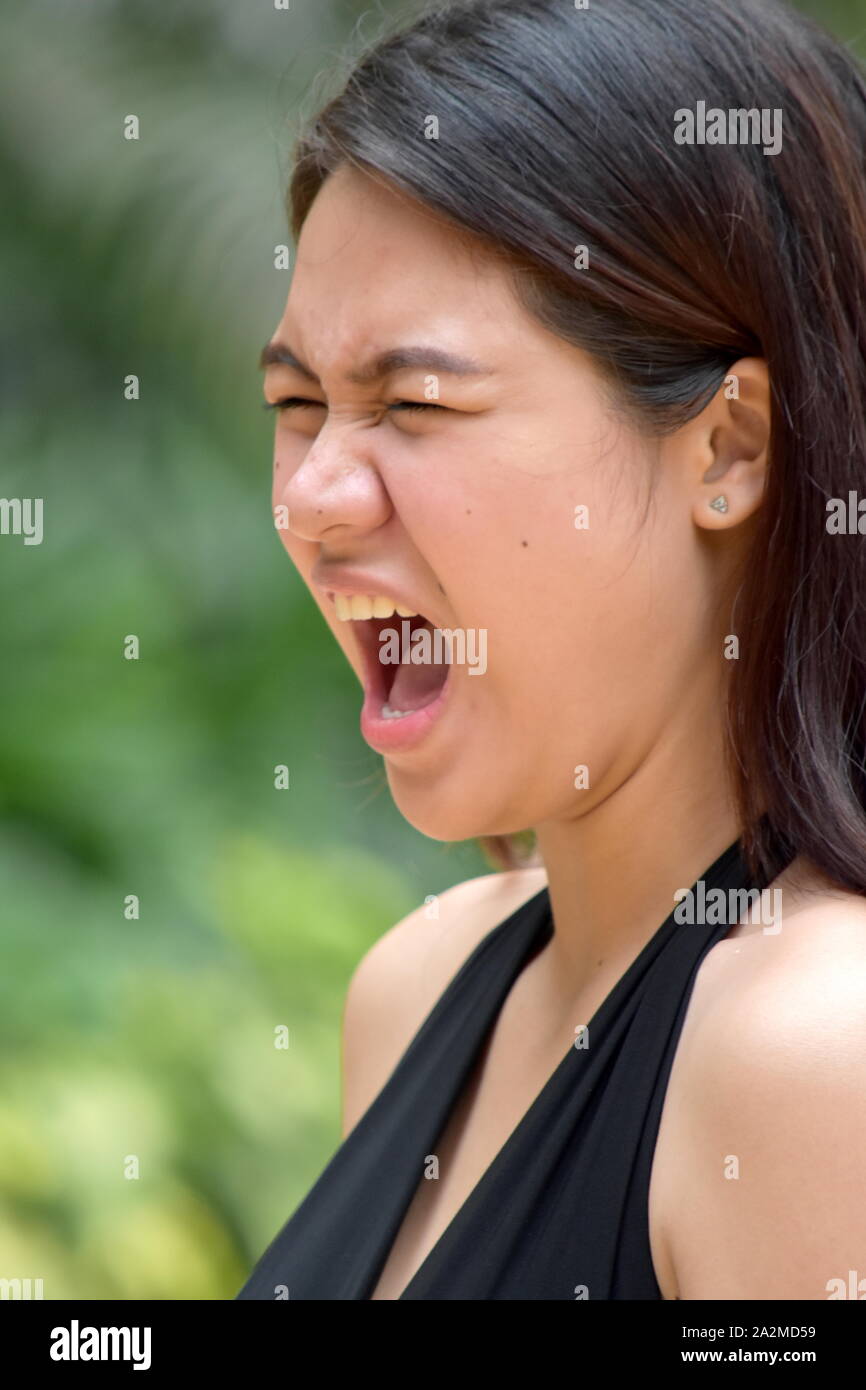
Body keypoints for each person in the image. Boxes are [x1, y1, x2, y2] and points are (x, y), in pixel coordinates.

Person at [238, 0, 866, 1299]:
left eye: (414, 403)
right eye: (295, 405)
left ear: (728, 448)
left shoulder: (813, 1056)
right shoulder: (414, 987)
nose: (308, 496)